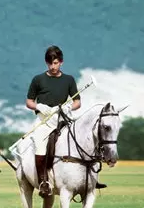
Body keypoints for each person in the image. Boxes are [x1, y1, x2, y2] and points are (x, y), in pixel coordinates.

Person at [26, 45, 106, 198]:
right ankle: (43, 182)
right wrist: (40, 107)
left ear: (61, 62)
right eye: (50, 63)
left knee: (84, 140)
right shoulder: (38, 79)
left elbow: (77, 102)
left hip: (63, 120)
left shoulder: (68, 79)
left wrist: (69, 106)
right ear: (46, 63)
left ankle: (92, 179)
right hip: (44, 121)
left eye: (55, 63)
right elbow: (29, 102)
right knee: (40, 147)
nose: (53, 66)